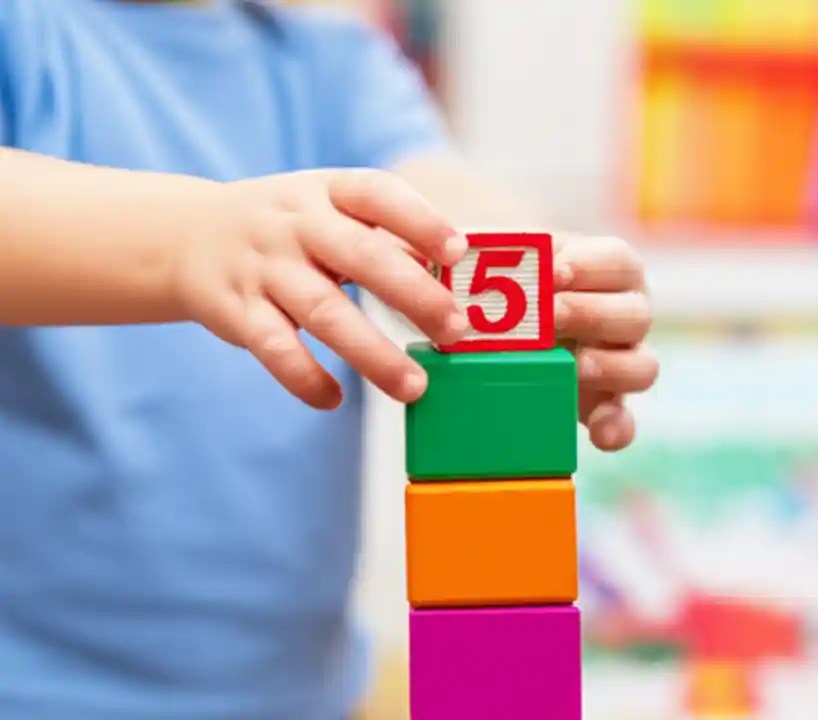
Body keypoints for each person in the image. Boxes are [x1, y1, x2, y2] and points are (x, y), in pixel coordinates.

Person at [0, 1, 657, 717]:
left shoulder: (334, 65)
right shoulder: (25, 33)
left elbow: (442, 203)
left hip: (301, 694)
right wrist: (197, 237)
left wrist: (546, 282)